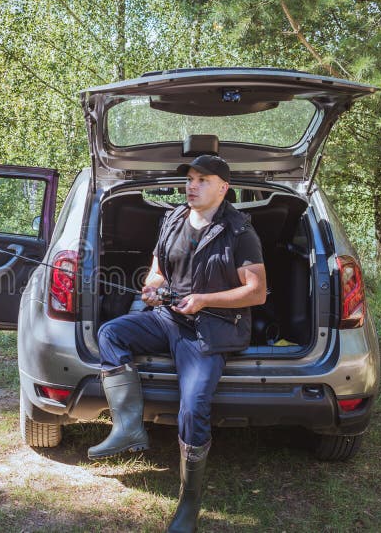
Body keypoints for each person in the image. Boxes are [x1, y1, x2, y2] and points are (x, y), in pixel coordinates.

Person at [87, 155, 266, 533]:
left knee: (193, 406)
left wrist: (204, 300)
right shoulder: (172, 220)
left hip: (211, 329)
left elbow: (257, 292)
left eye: (203, 179)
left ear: (223, 188)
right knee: (110, 333)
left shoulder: (239, 231)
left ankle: (189, 502)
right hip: (168, 318)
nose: (192, 185)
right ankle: (128, 427)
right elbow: (156, 271)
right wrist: (153, 290)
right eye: (190, 178)